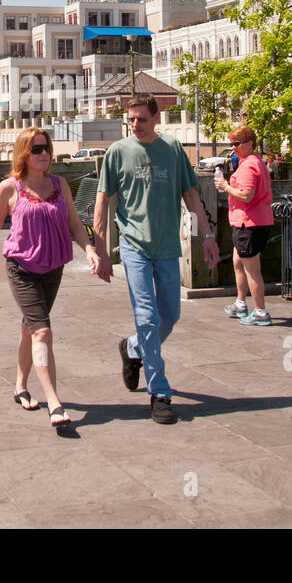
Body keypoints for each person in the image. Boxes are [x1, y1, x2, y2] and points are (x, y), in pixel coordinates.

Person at [0, 128, 109, 430]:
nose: (44, 154)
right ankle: (55, 402)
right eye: (37, 149)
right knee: (42, 332)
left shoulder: (59, 185)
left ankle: (19, 385)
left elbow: (74, 224)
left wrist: (90, 251)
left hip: (52, 267)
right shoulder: (10, 187)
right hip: (21, 268)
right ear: (24, 153)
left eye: (47, 148)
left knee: (30, 328)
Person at [94, 94, 218, 425]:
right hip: (134, 246)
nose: (135, 124)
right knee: (147, 317)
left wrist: (207, 237)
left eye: (141, 119)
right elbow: (103, 200)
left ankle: (133, 349)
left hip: (167, 247)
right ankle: (159, 392)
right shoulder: (118, 152)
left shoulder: (174, 150)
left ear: (156, 118)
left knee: (170, 316)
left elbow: (191, 195)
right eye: (131, 119)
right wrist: (101, 250)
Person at [218, 126, 275, 326]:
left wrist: (226, 187)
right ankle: (241, 303)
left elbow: (246, 195)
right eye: (231, 144)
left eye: (237, 143)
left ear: (250, 143)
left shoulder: (249, 166)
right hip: (253, 220)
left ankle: (260, 312)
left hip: (249, 222)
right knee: (238, 262)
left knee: (252, 268)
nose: (233, 148)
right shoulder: (255, 162)